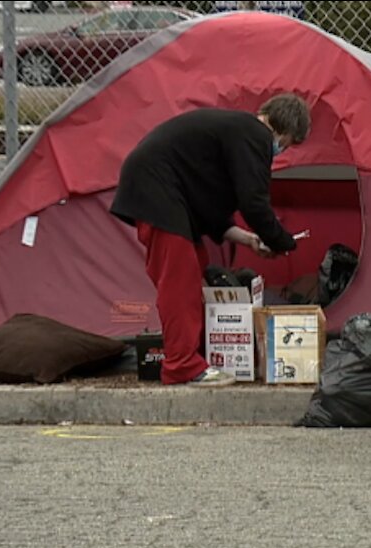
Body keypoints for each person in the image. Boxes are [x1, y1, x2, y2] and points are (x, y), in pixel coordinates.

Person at [111, 94, 310, 386]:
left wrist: (249, 240)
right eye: (289, 143)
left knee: (195, 268)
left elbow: (210, 209)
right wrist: (282, 242)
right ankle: (182, 366)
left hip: (161, 191)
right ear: (285, 130)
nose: (282, 150)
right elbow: (253, 202)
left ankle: (193, 355)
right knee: (180, 282)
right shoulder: (254, 135)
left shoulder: (234, 133)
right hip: (157, 192)